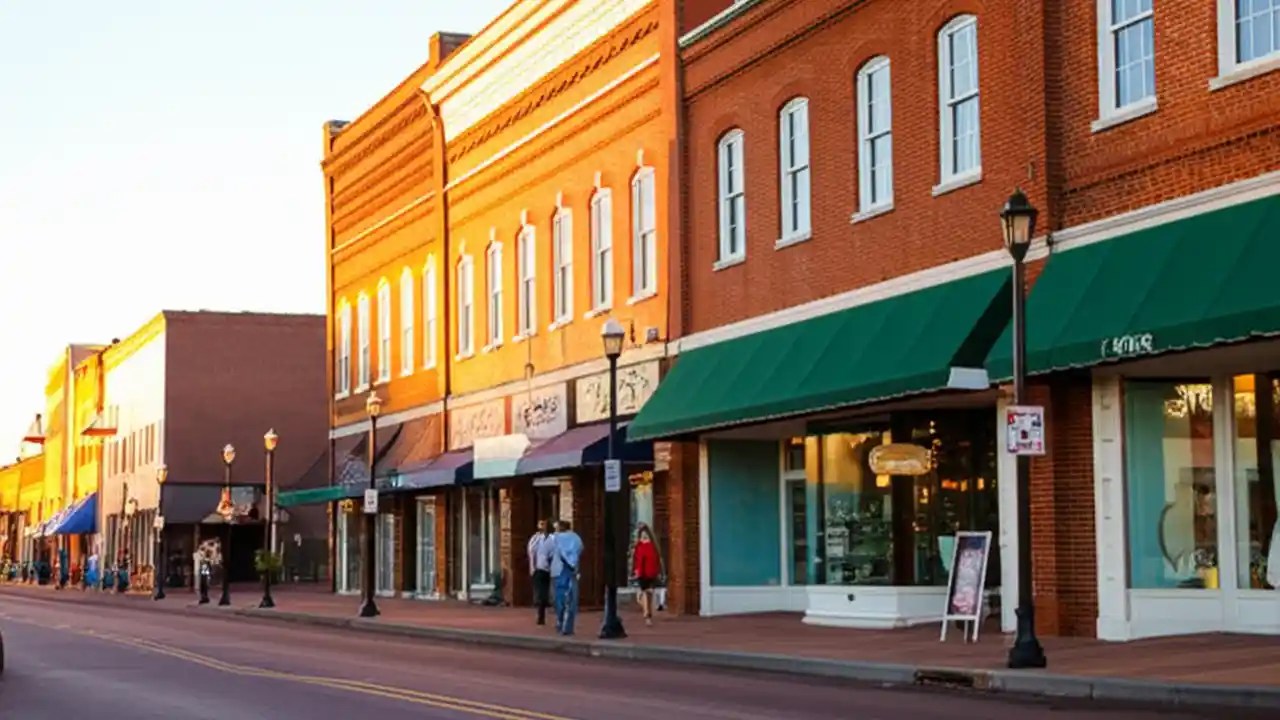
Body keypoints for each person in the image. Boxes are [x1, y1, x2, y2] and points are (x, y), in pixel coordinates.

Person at [550, 520, 583, 636]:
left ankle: (560, 621)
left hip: (558, 570)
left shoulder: (554, 538)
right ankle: (568, 625)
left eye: (556, 527)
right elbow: (580, 551)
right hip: (572, 570)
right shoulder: (576, 538)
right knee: (572, 599)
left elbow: (547, 553)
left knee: (559, 598)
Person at [631, 523, 661, 626]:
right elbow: (636, 561)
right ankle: (647, 614)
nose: (644, 537)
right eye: (642, 535)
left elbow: (656, 561)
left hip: (650, 574)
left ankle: (648, 614)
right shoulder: (639, 547)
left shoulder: (651, 547)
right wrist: (635, 572)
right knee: (644, 594)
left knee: (647, 594)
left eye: (646, 535)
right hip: (642, 574)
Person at [527, 520, 554, 625]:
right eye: (541, 524)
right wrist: (532, 568)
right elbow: (531, 552)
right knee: (541, 591)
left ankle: (543, 605)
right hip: (538, 568)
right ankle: (540, 613)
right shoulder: (535, 538)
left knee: (545, 590)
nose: (543, 527)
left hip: (548, 569)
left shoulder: (551, 539)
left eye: (545, 524)